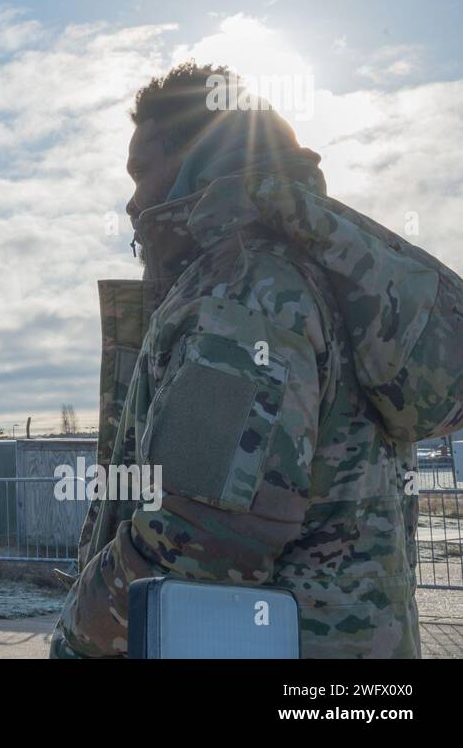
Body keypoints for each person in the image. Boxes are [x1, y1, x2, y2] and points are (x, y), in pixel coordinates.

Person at [51, 61, 463, 658]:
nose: (132, 199)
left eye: (142, 170)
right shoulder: (322, 279)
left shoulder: (244, 293)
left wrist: (74, 640)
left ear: (198, 157)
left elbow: (199, 538)